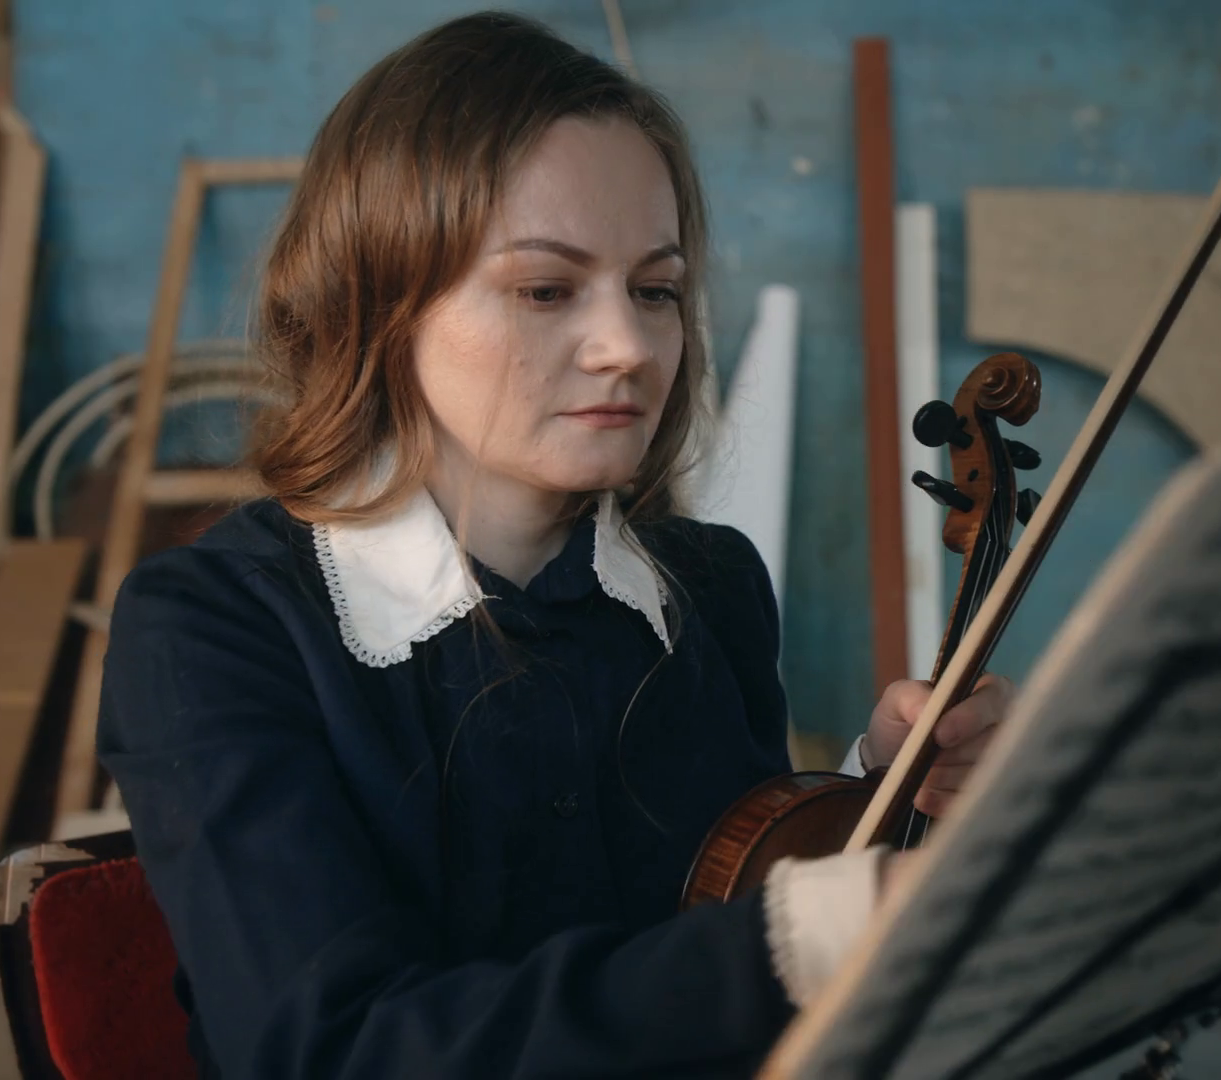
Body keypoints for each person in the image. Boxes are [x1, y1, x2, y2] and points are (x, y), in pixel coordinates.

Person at [98, 11, 1012, 1078]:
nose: (629, 346)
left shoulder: (713, 587)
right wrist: (804, 937)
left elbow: (723, 908)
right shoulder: (211, 627)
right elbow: (334, 1048)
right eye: (545, 289)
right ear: (380, 299)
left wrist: (879, 796)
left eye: (656, 290)